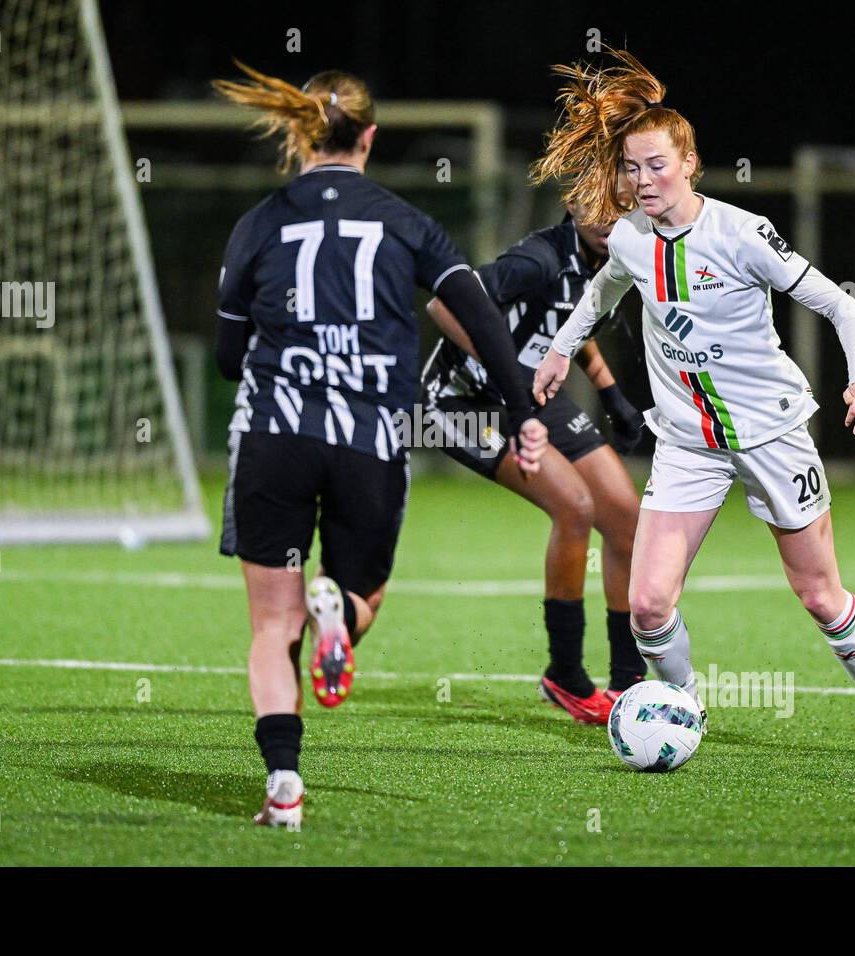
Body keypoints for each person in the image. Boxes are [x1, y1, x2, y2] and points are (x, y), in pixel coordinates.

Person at [531, 48, 855, 759]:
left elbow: (840, 304)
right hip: (687, 444)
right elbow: (600, 293)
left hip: (772, 434)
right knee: (647, 608)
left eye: (656, 166)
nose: (642, 180)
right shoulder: (631, 239)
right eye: (631, 168)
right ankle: (684, 709)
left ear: (690, 163)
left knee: (820, 595)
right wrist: (558, 351)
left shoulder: (742, 235)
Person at [213, 61, 549, 828]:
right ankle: (342, 614)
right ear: (369, 137)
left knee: (271, 626)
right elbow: (479, 317)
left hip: (276, 431)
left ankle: (285, 788)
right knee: (361, 592)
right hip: (369, 436)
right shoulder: (407, 223)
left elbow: (231, 359)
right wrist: (521, 410)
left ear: (300, 133)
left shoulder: (259, 223)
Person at [421, 193, 648, 725]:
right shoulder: (539, 258)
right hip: (463, 402)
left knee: (624, 515)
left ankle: (628, 681)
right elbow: (444, 303)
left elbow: (568, 326)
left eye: (623, 205)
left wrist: (610, 391)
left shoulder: (611, 262)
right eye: (599, 206)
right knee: (574, 507)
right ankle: (564, 677)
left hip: (532, 395)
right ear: (572, 204)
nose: (611, 218)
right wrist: (506, 375)